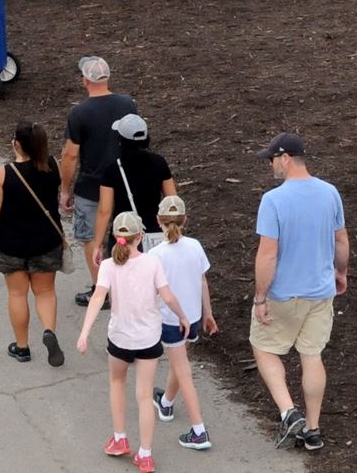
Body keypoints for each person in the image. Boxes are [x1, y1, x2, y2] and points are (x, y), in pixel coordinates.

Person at [250, 133, 347, 453]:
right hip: (320, 292)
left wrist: (260, 297)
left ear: (286, 159)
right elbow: (341, 241)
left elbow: (267, 255)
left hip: (284, 294)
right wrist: (341, 272)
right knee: (312, 356)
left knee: (263, 348)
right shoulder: (330, 193)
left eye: (272, 159)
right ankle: (314, 429)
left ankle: (289, 411)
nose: (270, 165)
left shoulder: (273, 200)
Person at [76, 212, 189, 473]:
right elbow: (168, 297)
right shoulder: (152, 263)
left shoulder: (107, 266)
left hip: (120, 338)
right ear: (140, 236)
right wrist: (182, 316)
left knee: (117, 383)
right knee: (144, 395)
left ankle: (119, 438)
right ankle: (146, 454)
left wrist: (84, 333)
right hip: (149, 339)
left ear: (116, 237)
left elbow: (97, 298)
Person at [0, 122, 67, 368]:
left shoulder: (4, 173)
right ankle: (48, 331)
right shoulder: (54, 166)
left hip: (10, 245)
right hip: (46, 242)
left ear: (16, 144)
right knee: (45, 292)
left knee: (17, 294)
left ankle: (22, 347)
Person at [60, 56, 138, 302]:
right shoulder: (127, 104)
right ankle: (129, 285)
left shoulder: (79, 113)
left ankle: (102, 291)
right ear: (108, 77)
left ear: (85, 80)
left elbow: (71, 155)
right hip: (125, 183)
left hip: (92, 186)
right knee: (124, 234)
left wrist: (64, 189)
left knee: (92, 239)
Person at [147, 196, 218, 454]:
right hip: (194, 317)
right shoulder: (195, 246)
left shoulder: (155, 254)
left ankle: (199, 430)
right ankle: (166, 402)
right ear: (185, 219)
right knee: (181, 362)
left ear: (158, 221)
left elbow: (152, 292)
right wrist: (208, 313)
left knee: (183, 369)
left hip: (170, 320)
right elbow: (202, 282)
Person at [95, 114, 178, 263]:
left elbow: (104, 211)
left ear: (120, 141)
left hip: (124, 237)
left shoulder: (112, 170)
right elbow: (172, 200)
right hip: (155, 236)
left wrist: (97, 244)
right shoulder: (159, 163)